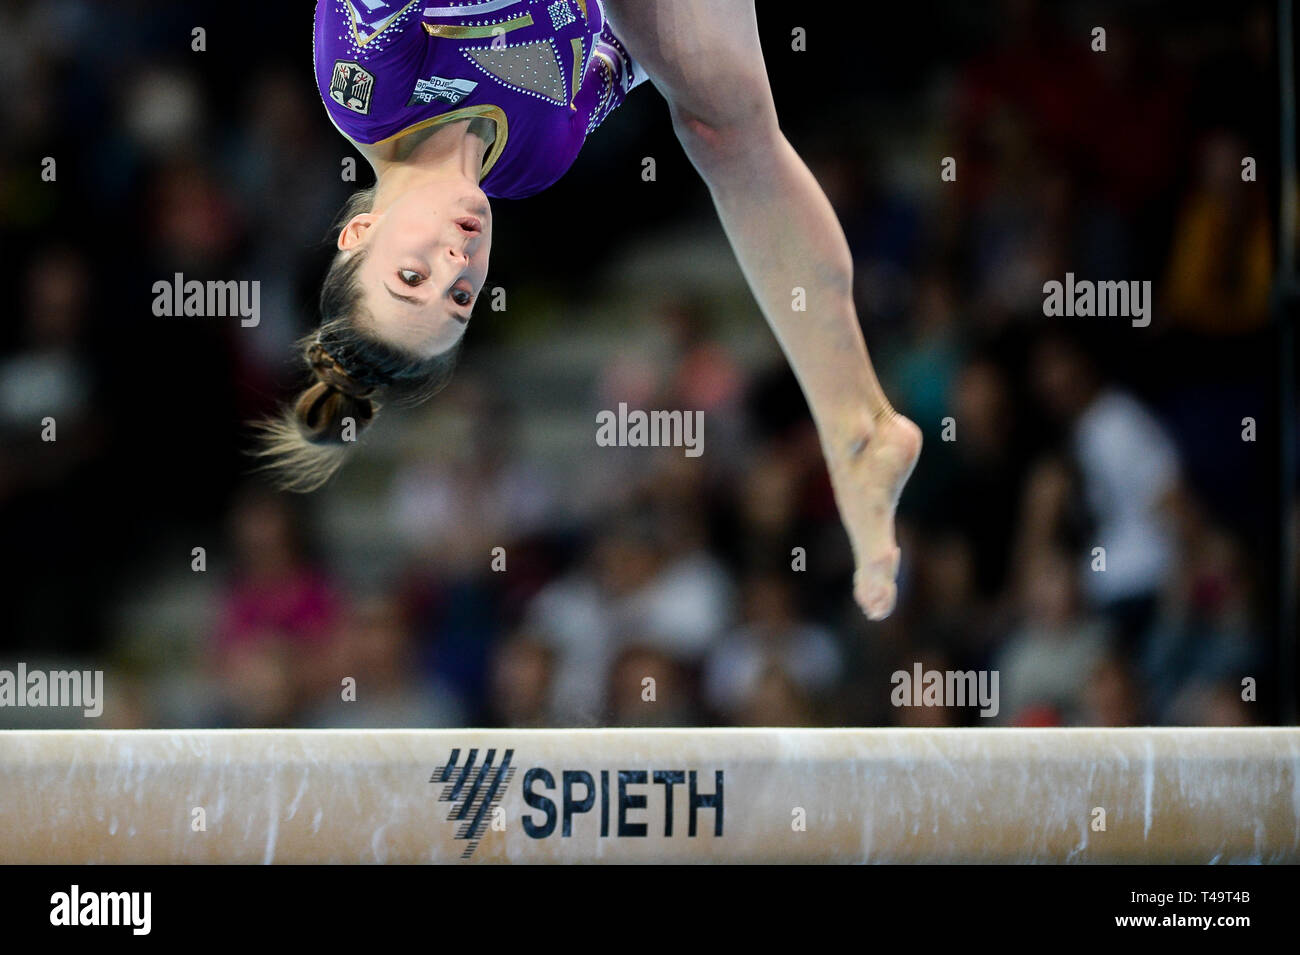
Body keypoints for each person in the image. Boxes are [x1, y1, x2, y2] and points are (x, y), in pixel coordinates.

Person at [261, 0, 920, 620]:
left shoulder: (366, 85)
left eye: (412, 275)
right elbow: (630, 49)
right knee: (717, 120)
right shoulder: (533, 161)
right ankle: (858, 424)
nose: (455, 263)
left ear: (359, 234)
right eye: (460, 298)